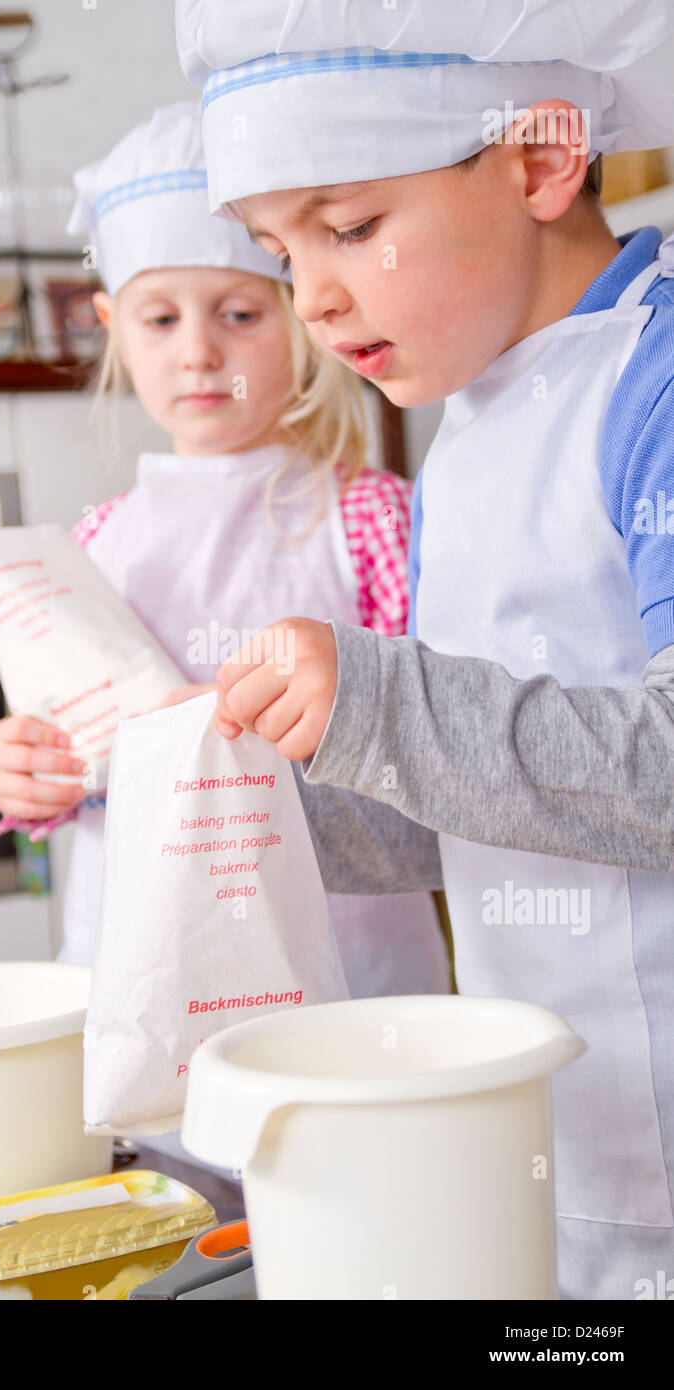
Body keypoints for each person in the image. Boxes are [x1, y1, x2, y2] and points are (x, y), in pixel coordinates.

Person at [176, 0, 674, 1300]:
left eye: (347, 227)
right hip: (548, 1121)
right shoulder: (469, 420)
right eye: (277, 250)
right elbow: (496, 797)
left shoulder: (653, 387)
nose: (312, 298)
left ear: (540, 159)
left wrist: (381, 707)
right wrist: (263, 780)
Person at [0, 101, 451, 1000]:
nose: (199, 353)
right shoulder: (89, 544)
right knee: (155, 1147)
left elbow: (432, 748)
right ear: (112, 325)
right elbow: (69, 750)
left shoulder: (374, 520)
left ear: (303, 315)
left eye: (238, 314)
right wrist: (26, 772)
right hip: (144, 969)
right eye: (159, 321)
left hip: (349, 977)